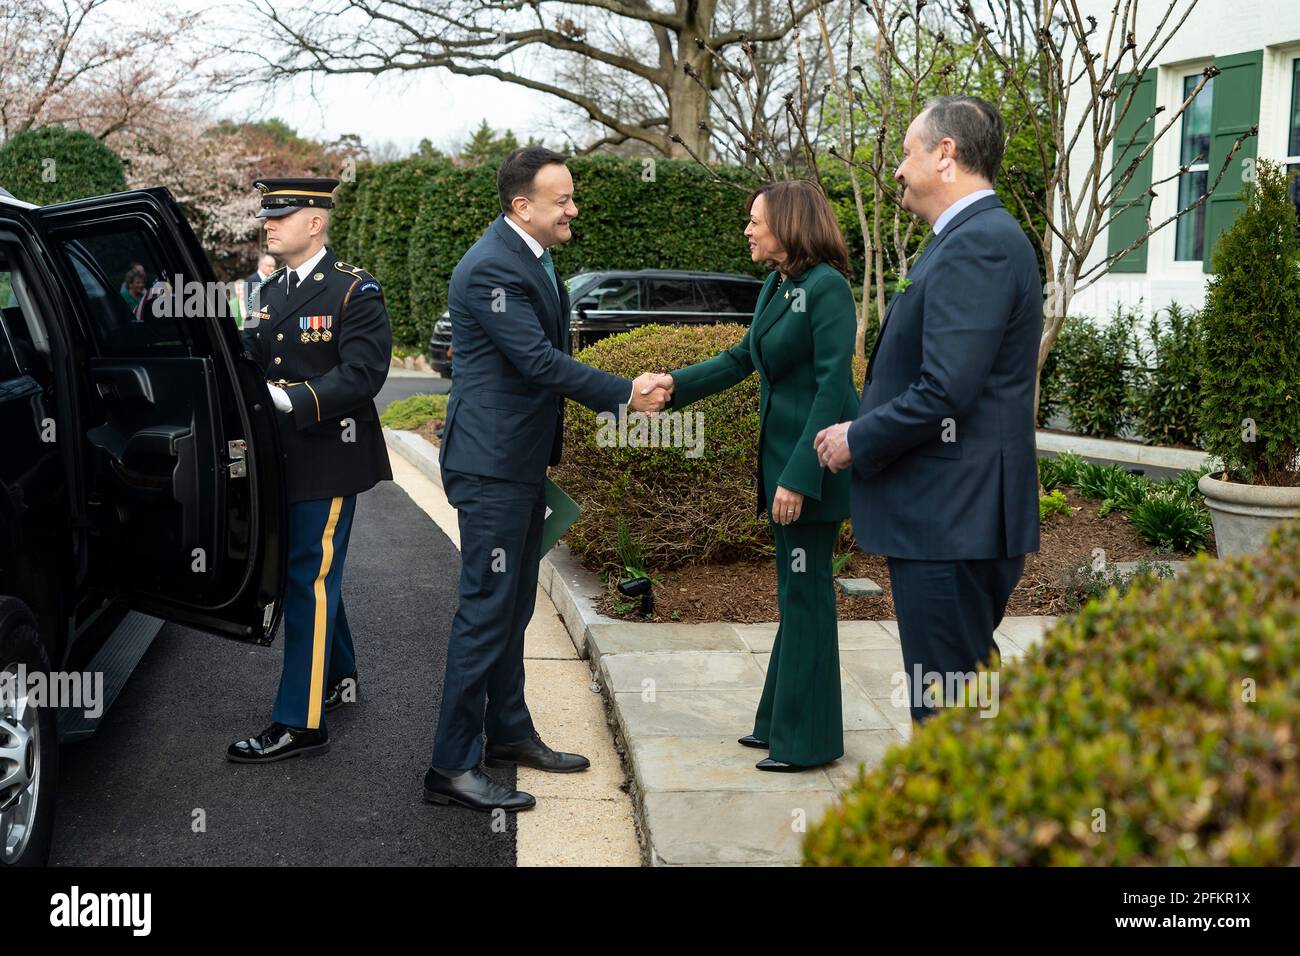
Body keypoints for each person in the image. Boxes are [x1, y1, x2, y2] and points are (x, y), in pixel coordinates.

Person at [426, 146, 670, 811]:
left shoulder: (528, 257)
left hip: (517, 464)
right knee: (486, 610)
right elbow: (537, 362)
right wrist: (624, 392)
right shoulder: (489, 270)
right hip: (491, 468)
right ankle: (449, 767)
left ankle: (507, 733)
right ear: (521, 206)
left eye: (572, 197)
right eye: (561, 199)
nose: (573, 209)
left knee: (512, 608)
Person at [814, 95, 1041, 725]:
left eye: (908, 153)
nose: (896, 170)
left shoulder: (980, 245)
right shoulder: (969, 239)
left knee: (949, 708)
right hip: (953, 515)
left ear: (946, 154)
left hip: (954, 518)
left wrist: (858, 437)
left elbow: (946, 390)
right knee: (964, 695)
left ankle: (962, 823)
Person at [655, 180, 859, 771]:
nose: (747, 230)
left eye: (755, 221)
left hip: (809, 470)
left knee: (808, 595)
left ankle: (809, 742)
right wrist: (675, 385)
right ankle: (779, 724)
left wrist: (800, 476)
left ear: (789, 224)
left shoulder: (827, 289)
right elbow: (743, 358)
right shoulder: (780, 283)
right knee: (794, 595)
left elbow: (832, 390)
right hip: (779, 467)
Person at [226, 177, 393, 763]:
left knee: (308, 579)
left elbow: (364, 374)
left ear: (316, 222)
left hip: (328, 457)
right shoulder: (270, 290)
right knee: (310, 575)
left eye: (282, 214)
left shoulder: (354, 289)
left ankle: (301, 722)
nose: (268, 224)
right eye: (267, 215)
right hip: (282, 459)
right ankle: (339, 674)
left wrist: (290, 400)